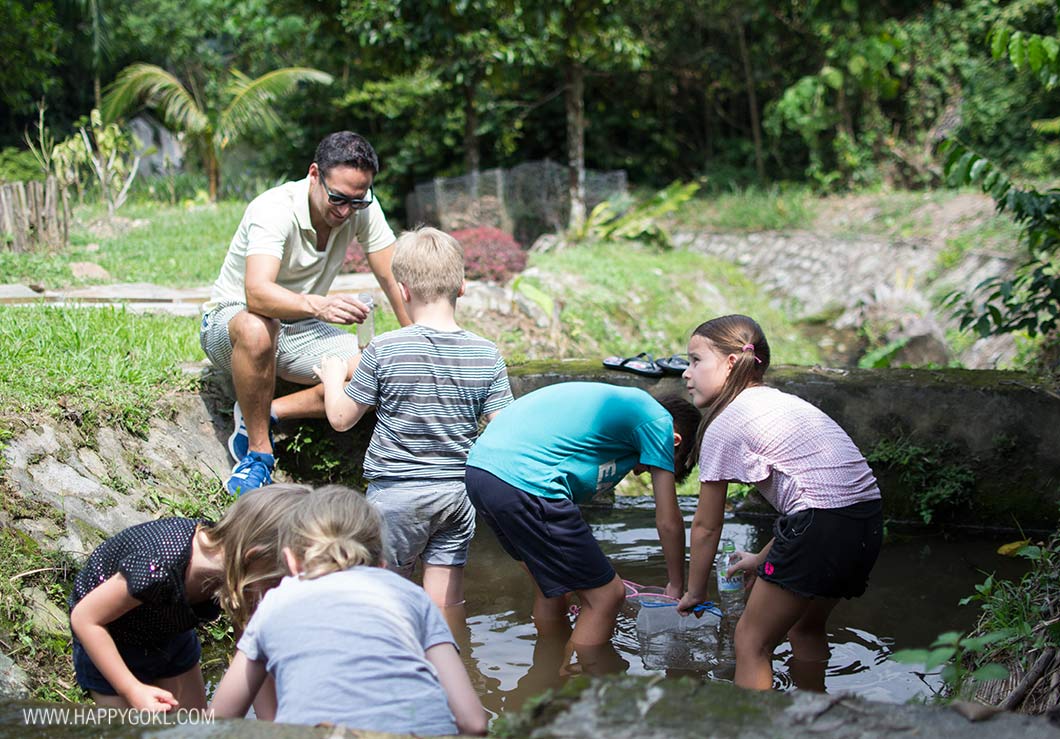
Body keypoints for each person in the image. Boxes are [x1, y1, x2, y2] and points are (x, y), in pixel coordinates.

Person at [675, 314, 883, 691]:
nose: (686, 374)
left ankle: (754, 721)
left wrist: (695, 591)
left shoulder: (726, 422)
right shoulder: (781, 403)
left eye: (695, 360)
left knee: (750, 641)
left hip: (821, 524)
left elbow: (706, 526)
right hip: (867, 522)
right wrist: (762, 559)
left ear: (731, 362)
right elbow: (818, 501)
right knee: (805, 627)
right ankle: (810, 709)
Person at [314, 226, 512, 620]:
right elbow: (505, 429)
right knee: (445, 606)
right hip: (456, 495)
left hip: (396, 495)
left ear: (403, 291)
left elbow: (340, 419)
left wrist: (333, 378)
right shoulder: (487, 354)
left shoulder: (384, 348)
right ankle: (452, 655)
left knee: (387, 602)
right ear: (462, 287)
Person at [199, 131, 411, 496]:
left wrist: (425, 344)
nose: (346, 211)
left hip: (302, 330)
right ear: (314, 175)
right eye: (337, 198)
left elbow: (394, 279)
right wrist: (319, 304)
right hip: (234, 322)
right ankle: (258, 456)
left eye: (357, 201)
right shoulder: (273, 209)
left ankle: (265, 412)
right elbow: (257, 294)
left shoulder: (362, 206)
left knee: (387, 367)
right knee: (258, 328)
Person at [210, 485, 488, 735]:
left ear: (290, 562)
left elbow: (218, 720)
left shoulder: (276, 601)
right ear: (381, 564)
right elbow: (474, 723)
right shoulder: (413, 596)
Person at [464, 382, 701, 647]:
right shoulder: (658, 422)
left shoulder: (625, 410)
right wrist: (676, 587)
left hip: (482, 473)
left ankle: (549, 665)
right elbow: (668, 521)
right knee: (607, 596)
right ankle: (584, 671)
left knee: (554, 590)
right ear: (674, 440)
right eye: (651, 467)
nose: (638, 472)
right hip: (527, 480)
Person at [68, 483, 310, 711]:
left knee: (192, 727)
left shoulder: (241, 572)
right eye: (279, 582)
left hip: (169, 633)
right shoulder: (159, 566)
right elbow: (85, 619)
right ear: (253, 557)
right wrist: (131, 689)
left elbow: (249, 654)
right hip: (110, 638)